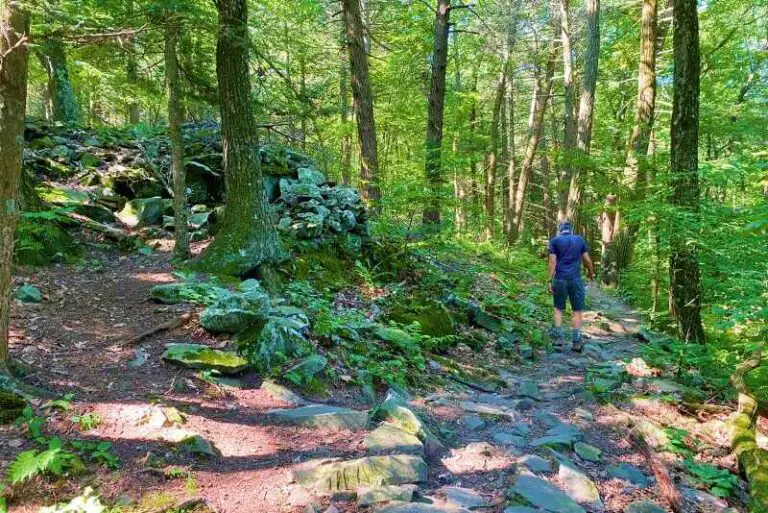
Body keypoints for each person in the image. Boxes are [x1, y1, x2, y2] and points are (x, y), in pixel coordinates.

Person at [547, 220, 595, 352]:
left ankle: (558, 339)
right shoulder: (579, 240)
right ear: (571, 230)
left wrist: (549, 280)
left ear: (560, 230)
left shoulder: (554, 241)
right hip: (575, 280)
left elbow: (552, 261)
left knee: (558, 308)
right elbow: (587, 259)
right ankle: (576, 342)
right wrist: (591, 274)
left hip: (560, 279)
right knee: (577, 310)